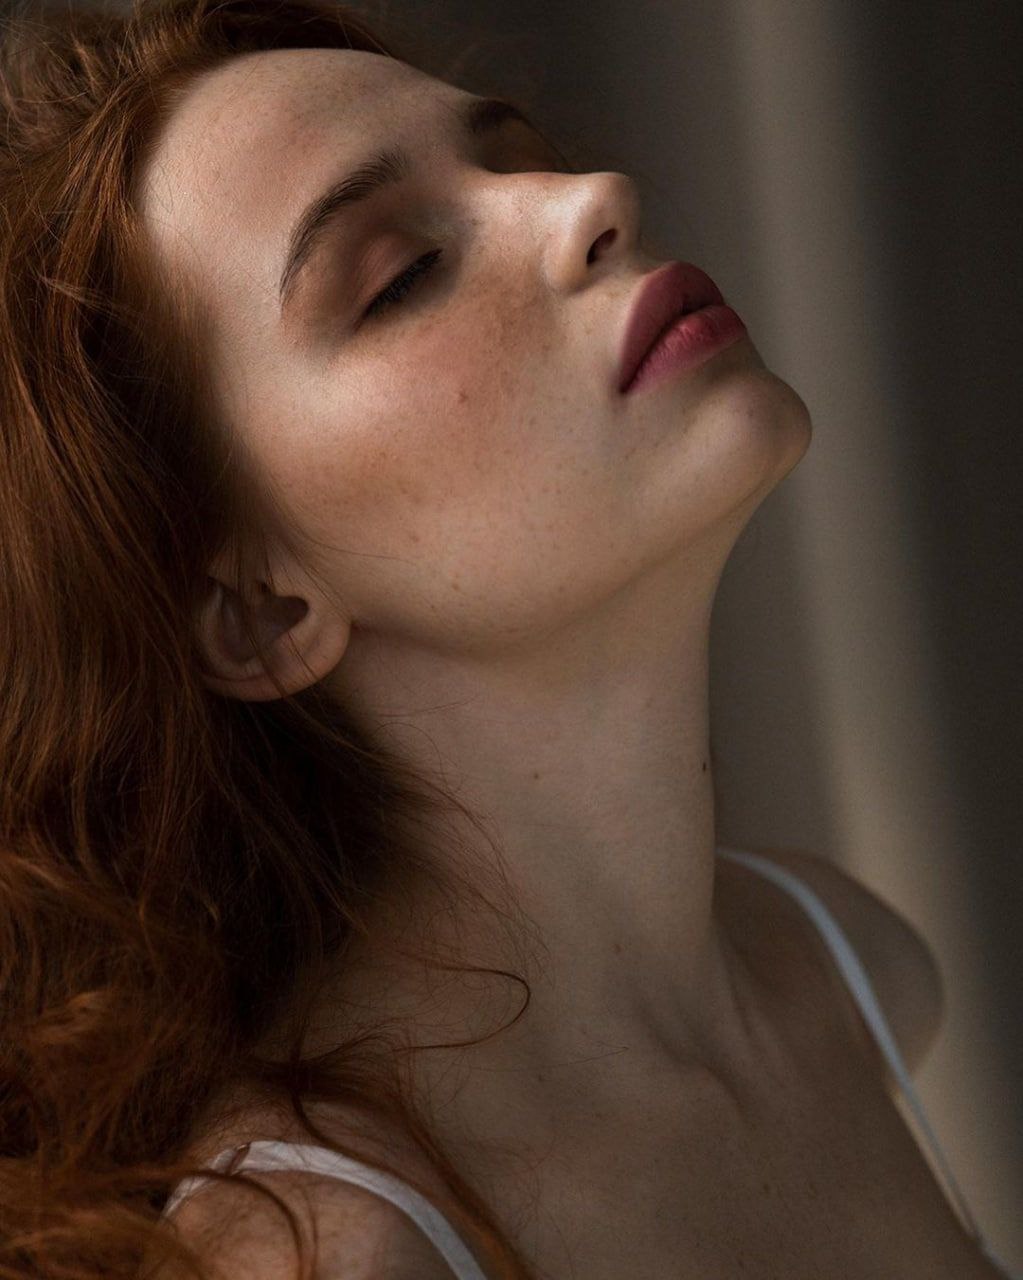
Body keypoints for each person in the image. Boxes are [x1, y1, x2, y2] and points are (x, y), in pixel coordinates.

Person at [0, 2, 1016, 1278]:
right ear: (263, 610)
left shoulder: (849, 971)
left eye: (517, 154)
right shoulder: (330, 1253)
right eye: (402, 273)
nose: (595, 196)